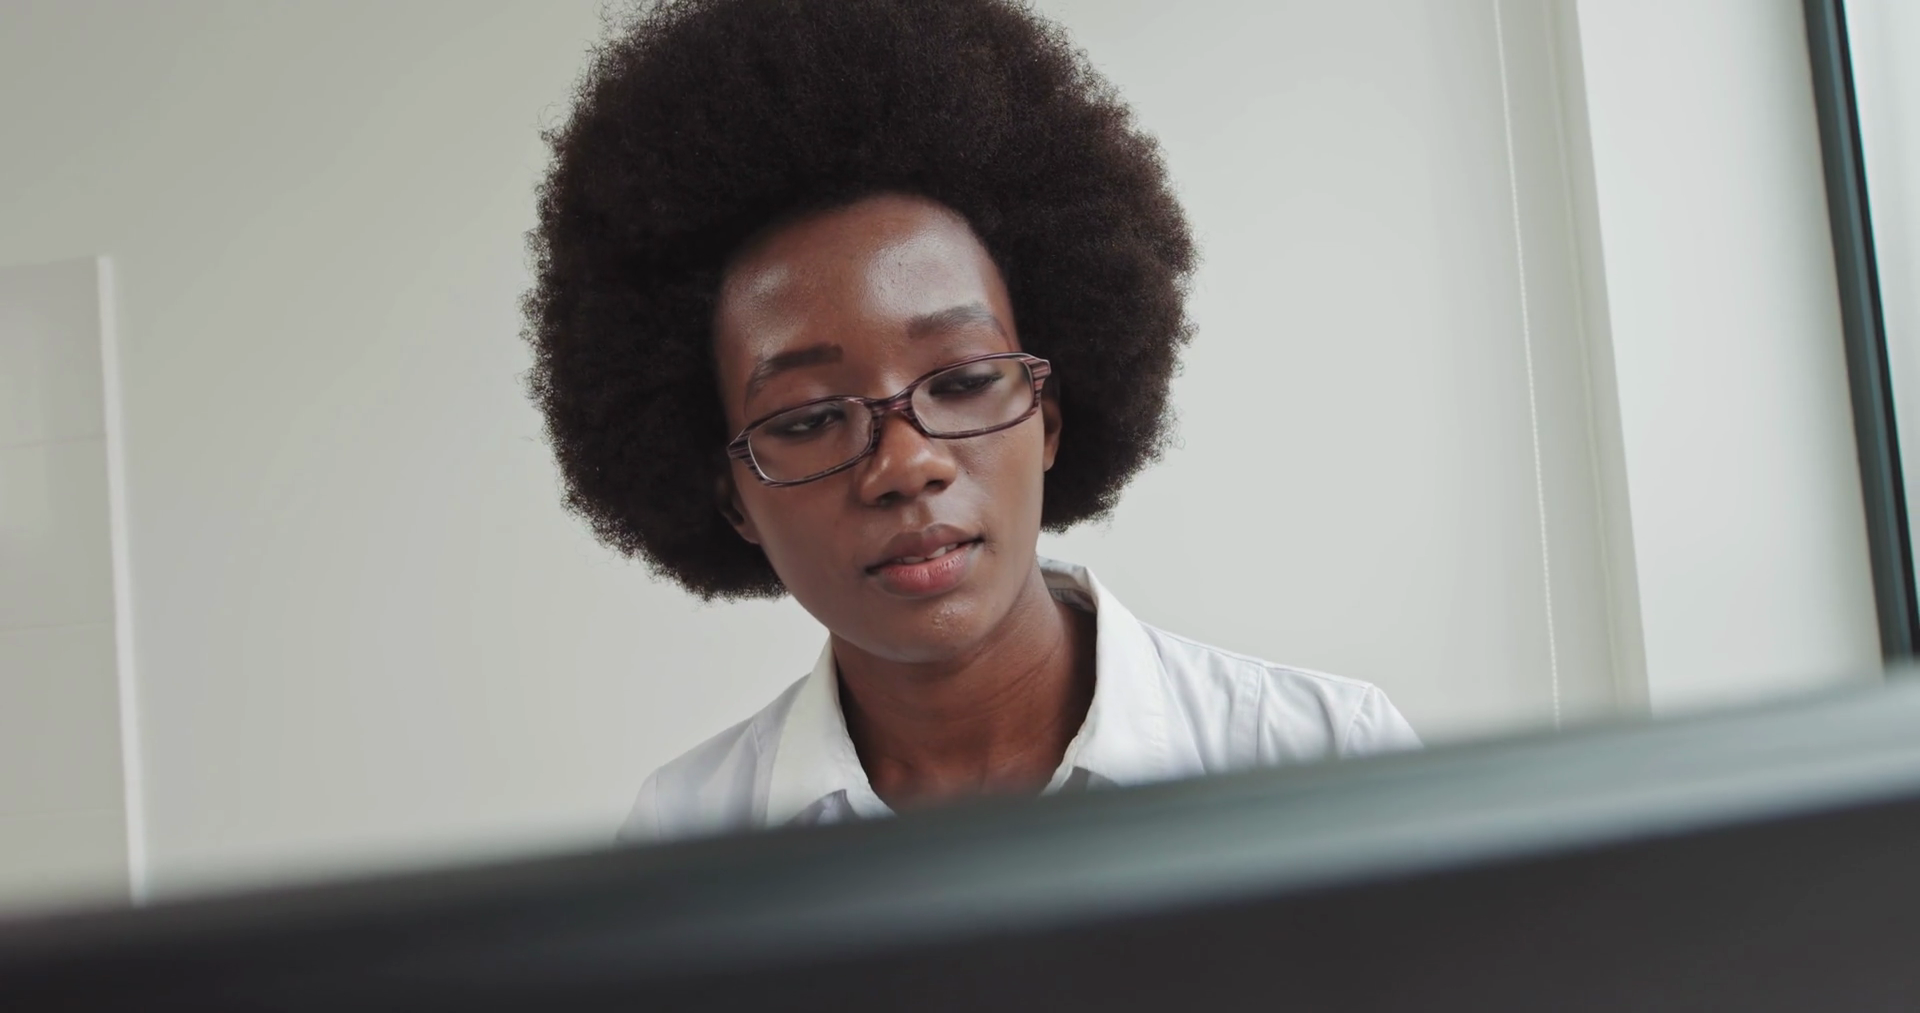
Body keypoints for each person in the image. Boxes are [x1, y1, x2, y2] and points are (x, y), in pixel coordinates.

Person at [523, 0, 1420, 842]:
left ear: (1051, 417)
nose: (906, 466)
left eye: (959, 381)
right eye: (807, 420)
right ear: (732, 501)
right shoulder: (690, 842)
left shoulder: (1326, 762)